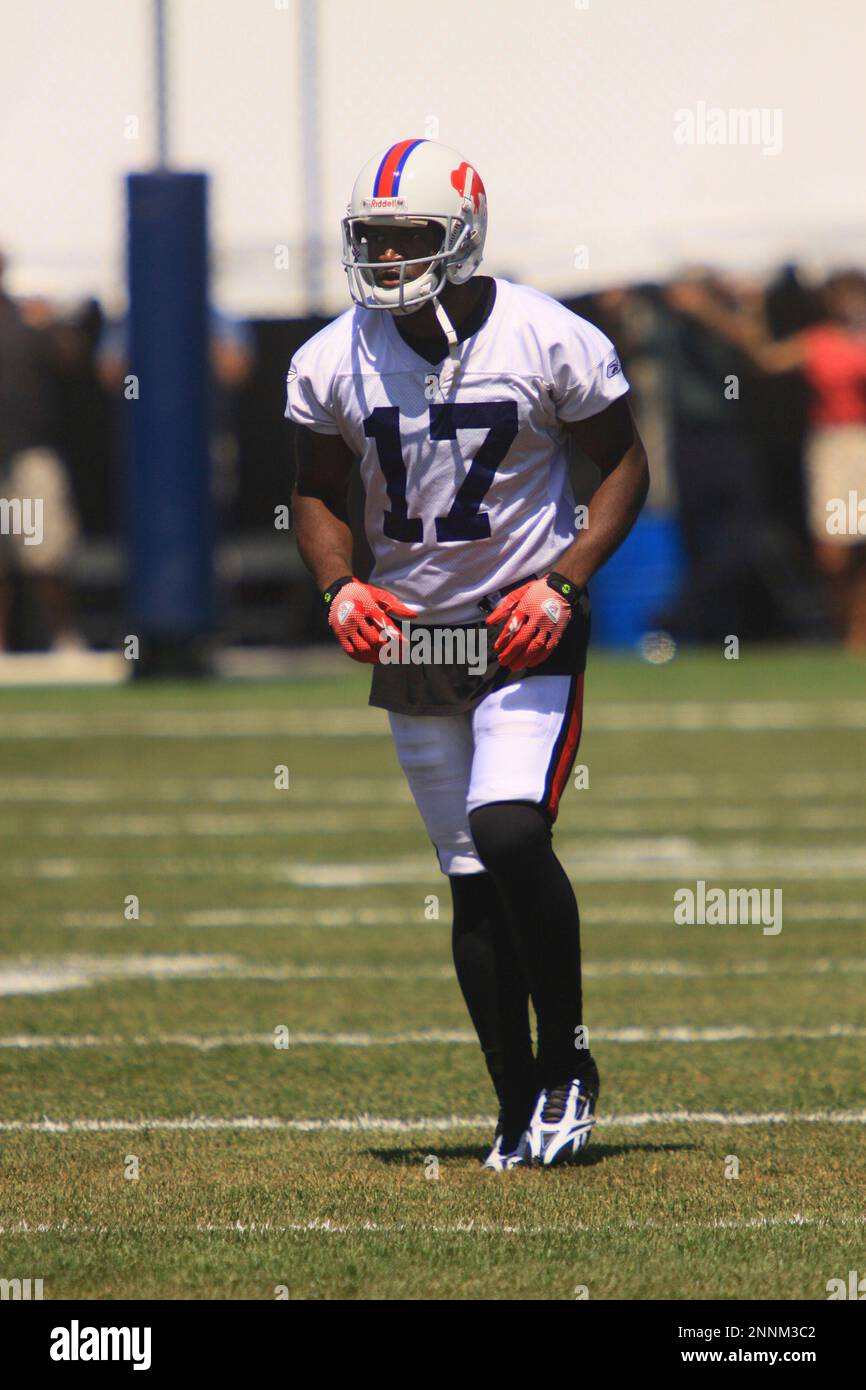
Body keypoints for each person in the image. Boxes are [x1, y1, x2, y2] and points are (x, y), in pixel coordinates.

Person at [286, 139, 649, 1168]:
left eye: (410, 237)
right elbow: (313, 491)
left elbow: (622, 464)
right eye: (374, 238)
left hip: (523, 620)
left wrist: (564, 579)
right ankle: (513, 1103)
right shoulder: (328, 358)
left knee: (507, 830)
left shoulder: (544, 334)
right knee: (468, 880)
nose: (389, 259)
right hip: (413, 631)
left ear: (463, 234)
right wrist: (338, 583)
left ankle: (568, 1061)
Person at [667, 270, 866, 648]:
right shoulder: (818, 341)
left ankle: (859, 634)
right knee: (834, 552)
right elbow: (764, 358)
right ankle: (842, 624)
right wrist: (753, 309)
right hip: (833, 448)